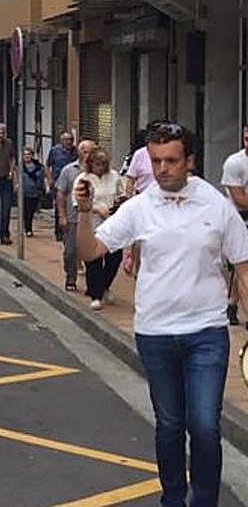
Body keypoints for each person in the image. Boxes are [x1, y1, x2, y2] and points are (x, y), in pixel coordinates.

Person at [75, 122, 248, 507]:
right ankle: (172, 499)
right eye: (155, 161)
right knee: (170, 425)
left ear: (190, 160)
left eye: (171, 160)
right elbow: (91, 252)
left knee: (204, 425)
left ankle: (204, 501)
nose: (162, 169)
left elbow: (243, 265)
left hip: (207, 331)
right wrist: (85, 214)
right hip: (155, 334)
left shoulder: (216, 204)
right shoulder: (139, 206)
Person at [74, 149, 123, 311]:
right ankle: (95, 295)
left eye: (103, 164)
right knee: (93, 262)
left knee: (114, 259)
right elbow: (78, 202)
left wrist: (118, 204)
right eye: (97, 164)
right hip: (92, 224)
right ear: (90, 164)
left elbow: (120, 194)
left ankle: (104, 286)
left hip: (111, 223)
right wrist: (95, 208)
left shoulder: (114, 176)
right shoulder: (84, 179)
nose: (100, 167)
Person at [55, 139, 96, 292]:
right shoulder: (68, 170)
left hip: (93, 219)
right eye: (84, 151)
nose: (87, 155)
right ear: (78, 152)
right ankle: (70, 278)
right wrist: (62, 215)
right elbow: (61, 194)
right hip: (73, 218)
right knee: (70, 251)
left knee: (92, 253)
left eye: (90, 151)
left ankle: (93, 285)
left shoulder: (99, 171)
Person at [219, 126, 248, 324]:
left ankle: (232, 303)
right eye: (246, 138)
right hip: (239, 219)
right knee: (243, 265)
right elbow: (240, 199)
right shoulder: (234, 163)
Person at [46, 131, 77, 240]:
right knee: (59, 207)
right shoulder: (55, 151)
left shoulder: (76, 151)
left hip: (72, 183)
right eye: (66, 140)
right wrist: (49, 180)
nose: (68, 142)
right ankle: (58, 231)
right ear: (61, 141)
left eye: (70, 140)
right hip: (58, 183)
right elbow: (47, 165)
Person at [20, 147, 47, 238]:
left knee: (31, 210)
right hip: (23, 192)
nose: (27, 156)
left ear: (32, 155)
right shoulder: (20, 166)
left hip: (34, 192)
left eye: (28, 154)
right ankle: (27, 228)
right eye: (25, 155)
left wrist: (44, 188)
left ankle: (28, 227)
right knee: (25, 210)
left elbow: (42, 178)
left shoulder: (39, 166)